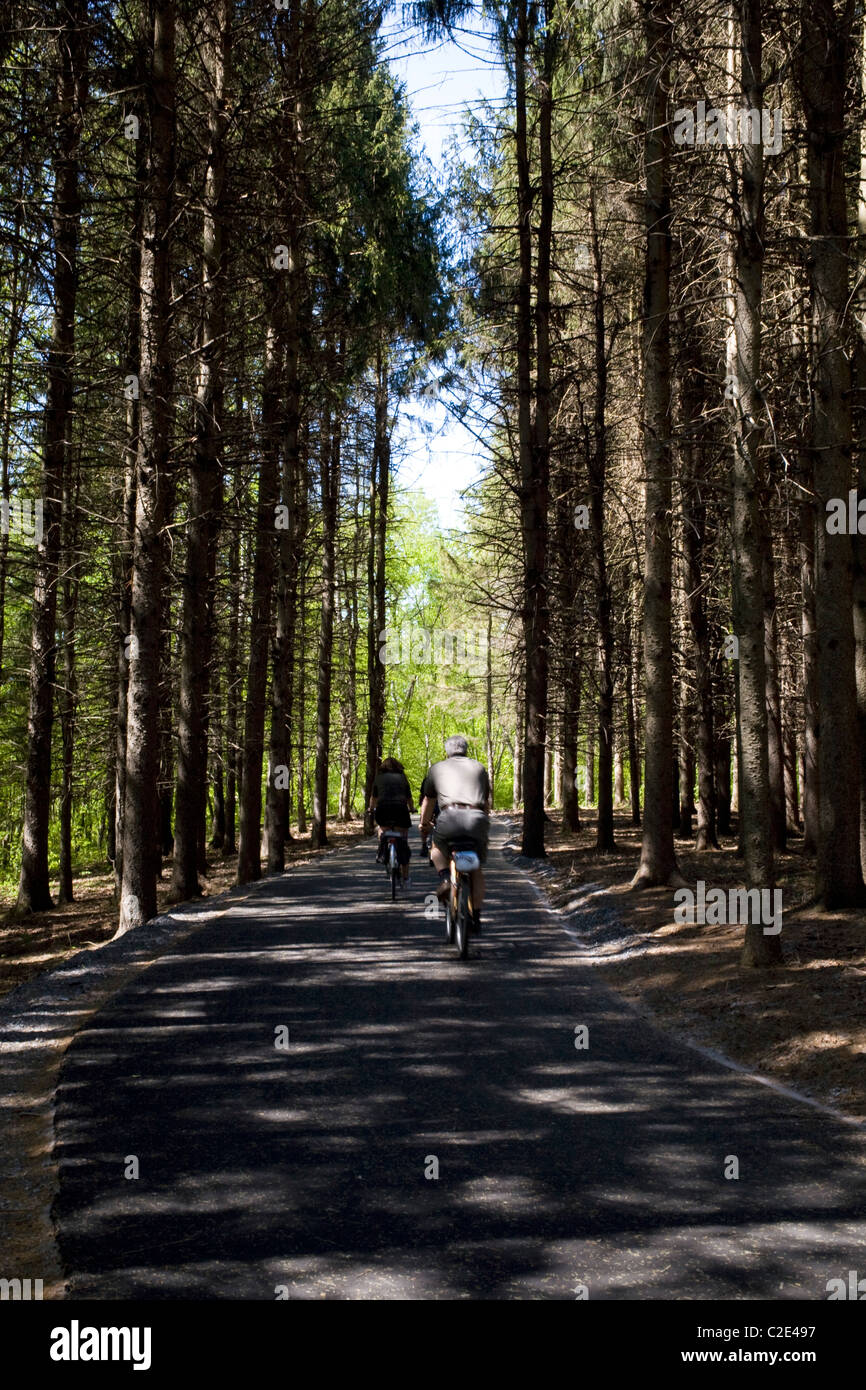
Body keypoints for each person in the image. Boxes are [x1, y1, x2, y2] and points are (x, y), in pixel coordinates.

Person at [419, 735, 490, 933]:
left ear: (447, 751)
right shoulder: (479, 768)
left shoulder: (437, 768)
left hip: (449, 817)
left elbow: (428, 802)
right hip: (476, 818)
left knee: (436, 848)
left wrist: (424, 824)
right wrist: (483, 824)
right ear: (465, 750)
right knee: (476, 869)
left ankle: (444, 878)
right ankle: (475, 917)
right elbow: (486, 802)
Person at [369, 757, 414, 886]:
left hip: (383, 810)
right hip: (400, 810)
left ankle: (382, 850)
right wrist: (411, 809)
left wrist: (371, 809)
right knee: (403, 843)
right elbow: (409, 798)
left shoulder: (379, 778)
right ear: (398, 766)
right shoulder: (402, 777)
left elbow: (374, 797)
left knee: (382, 829)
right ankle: (405, 878)